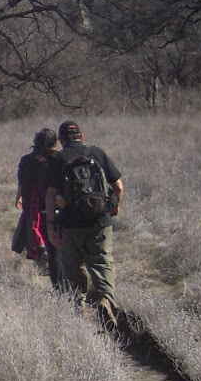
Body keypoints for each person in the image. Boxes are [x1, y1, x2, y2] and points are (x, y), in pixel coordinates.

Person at [45, 120, 125, 330]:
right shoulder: (97, 153)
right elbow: (118, 186)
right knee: (102, 261)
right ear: (82, 136)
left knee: (73, 266)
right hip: (100, 219)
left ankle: (77, 310)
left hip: (71, 223)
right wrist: (114, 206)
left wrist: (51, 225)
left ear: (61, 140)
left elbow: (51, 195)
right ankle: (105, 299)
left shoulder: (57, 159)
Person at [13, 128, 60, 286]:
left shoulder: (27, 159)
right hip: (51, 200)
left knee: (34, 226)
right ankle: (47, 258)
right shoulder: (56, 158)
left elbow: (22, 181)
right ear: (55, 143)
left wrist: (18, 196)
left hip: (32, 199)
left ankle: (42, 256)